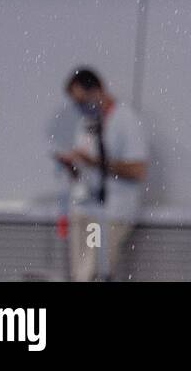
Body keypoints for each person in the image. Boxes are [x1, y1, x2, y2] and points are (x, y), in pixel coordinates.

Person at [55, 69, 148, 281]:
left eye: (82, 100)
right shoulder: (85, 123)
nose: (80, 107)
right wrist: (72, 165)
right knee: (80, 275)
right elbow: (85, 167)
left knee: (93, 272)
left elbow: (138, 170)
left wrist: (96, 163)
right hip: (84, 208)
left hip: (112, 211)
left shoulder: (126, 121)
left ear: (97, 91)